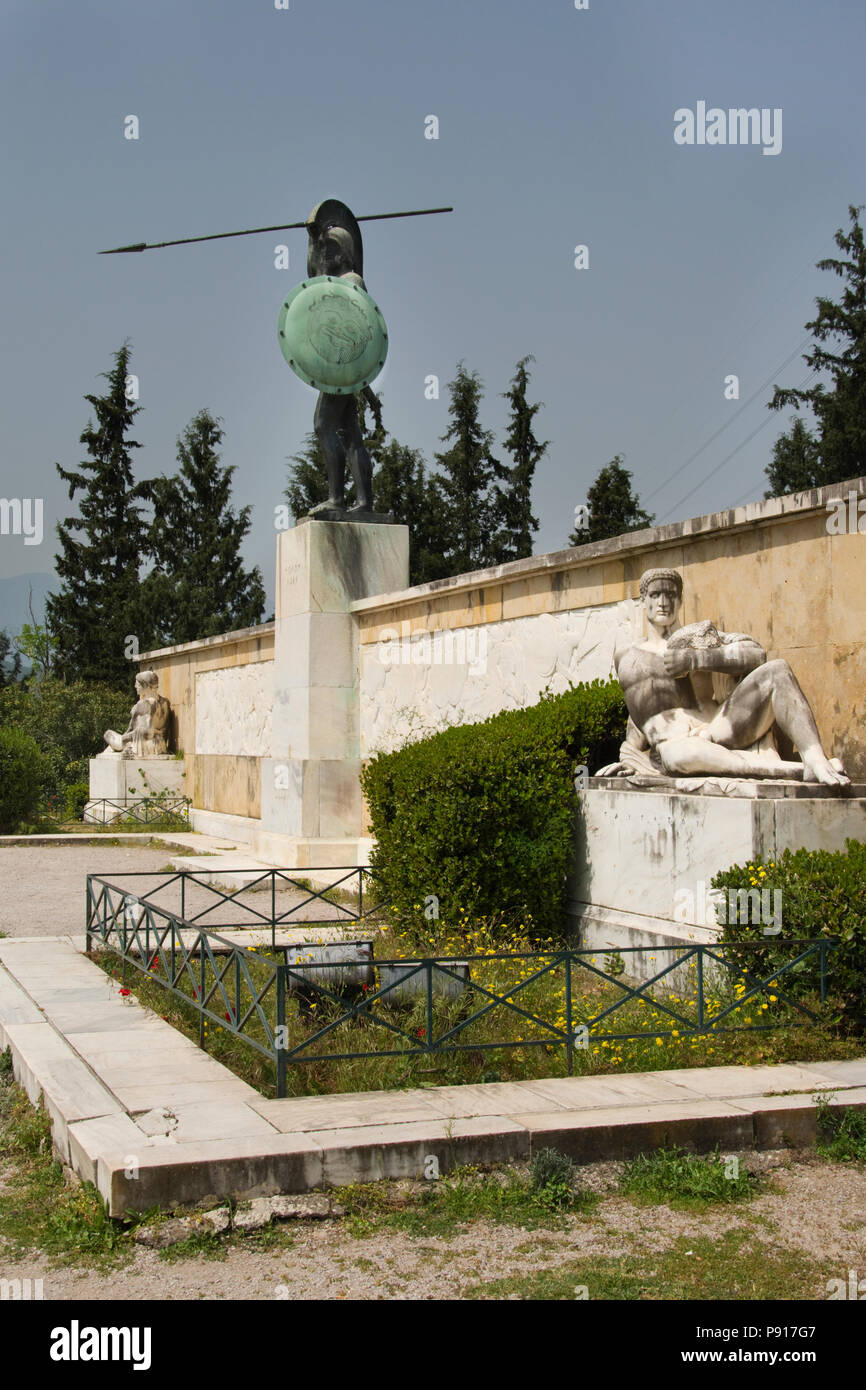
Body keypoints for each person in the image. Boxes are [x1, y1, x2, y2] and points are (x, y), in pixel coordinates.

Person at [599, 567, 848, 785]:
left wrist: (696, 659)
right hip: (677, 747)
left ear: (680, 600)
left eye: (671, 595)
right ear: (643, 600)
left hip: (718, 727)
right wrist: (631, 756)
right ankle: (797, 770)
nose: (663, 602)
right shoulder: (625, 655)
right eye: (655, 595)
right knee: (682, 754)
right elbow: (641, 709)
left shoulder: (696, 637)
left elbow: (755, 654)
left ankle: (814, 757)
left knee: (778, 670)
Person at [103, 670, 171, 759]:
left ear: (145, 685)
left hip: (142, 744)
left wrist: (124, 738)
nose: (135, 686)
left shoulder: (145, 704)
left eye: (138, 684)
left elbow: (146, 732)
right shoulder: (164, 702)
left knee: (108, 734)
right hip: (160, 744)